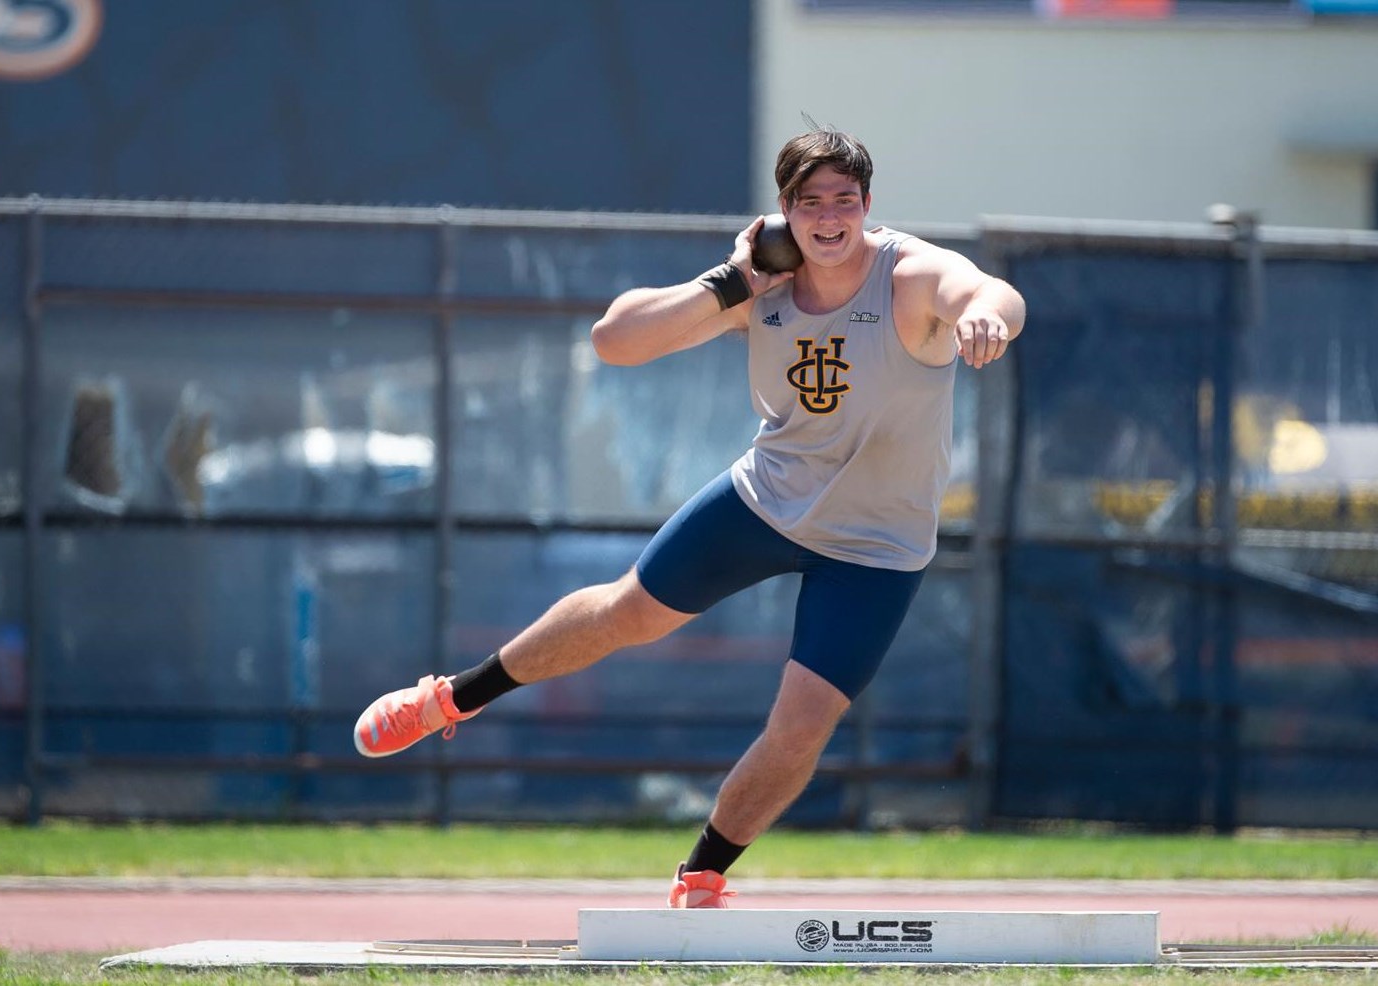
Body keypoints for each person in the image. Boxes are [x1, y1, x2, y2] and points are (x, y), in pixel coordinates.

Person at [352, 126, 1025, 908]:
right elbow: (615, 341)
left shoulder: (906, 274)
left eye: (846, 200)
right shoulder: (760, 283)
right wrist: (733, 285)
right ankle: (449, 699)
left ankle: (702, 874)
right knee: (625, 611)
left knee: (803, 723)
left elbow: (983, 289)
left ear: (868, 207)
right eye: (812, 203)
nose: (830, 218)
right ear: (785, 212)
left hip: (878, 544)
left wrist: (987, 318)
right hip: (768, 497)